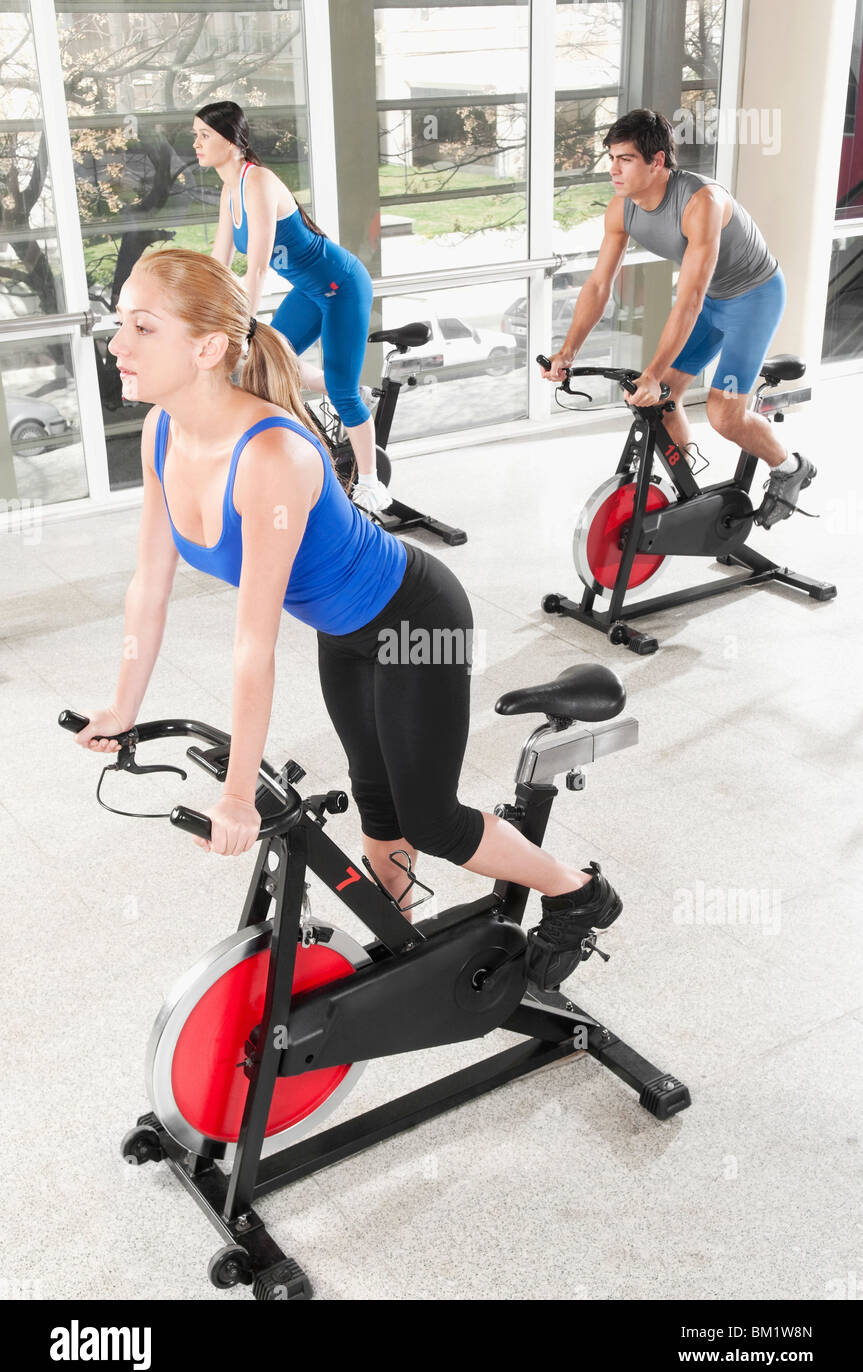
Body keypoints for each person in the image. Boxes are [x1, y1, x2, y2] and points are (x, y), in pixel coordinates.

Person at [74, 247, 620, 992]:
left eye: (140, 327)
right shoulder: (162, 432)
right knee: (374, 793)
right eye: (119, 325)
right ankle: (396, 938)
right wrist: (122, 707)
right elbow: (149, 584)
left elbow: (253, 645)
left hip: (414, 618)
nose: (116, 344)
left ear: (205, 348)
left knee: (432, 821)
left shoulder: (268, 456)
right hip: (346, 631)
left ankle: (577, 892)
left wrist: (237, 796)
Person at [542, 108, 814, 529]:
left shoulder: (701, 202)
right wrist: (568, 350)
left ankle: (790, 466)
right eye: (611, 157)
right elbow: (599, 286)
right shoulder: (622, 207)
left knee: (725, 415)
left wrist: (652, 373)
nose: (613, 169)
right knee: (664, 404)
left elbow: (688, 301)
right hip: (709, 302)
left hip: (753, 299)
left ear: (657, 161)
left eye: (625, 159)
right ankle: (689, 497)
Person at [193, 99, 391, 516]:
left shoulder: (257, 182)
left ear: (231, 143)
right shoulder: (230, 191)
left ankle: (373, 485)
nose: (196, 143)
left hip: (342, 286)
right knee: (262, 365)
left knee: (336, 389)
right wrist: (203, 312)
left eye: (204, 135)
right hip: (308, 290)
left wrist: (239, 328)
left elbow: (259, 267)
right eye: (196, 134)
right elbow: (220, 263)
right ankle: (351, 390)